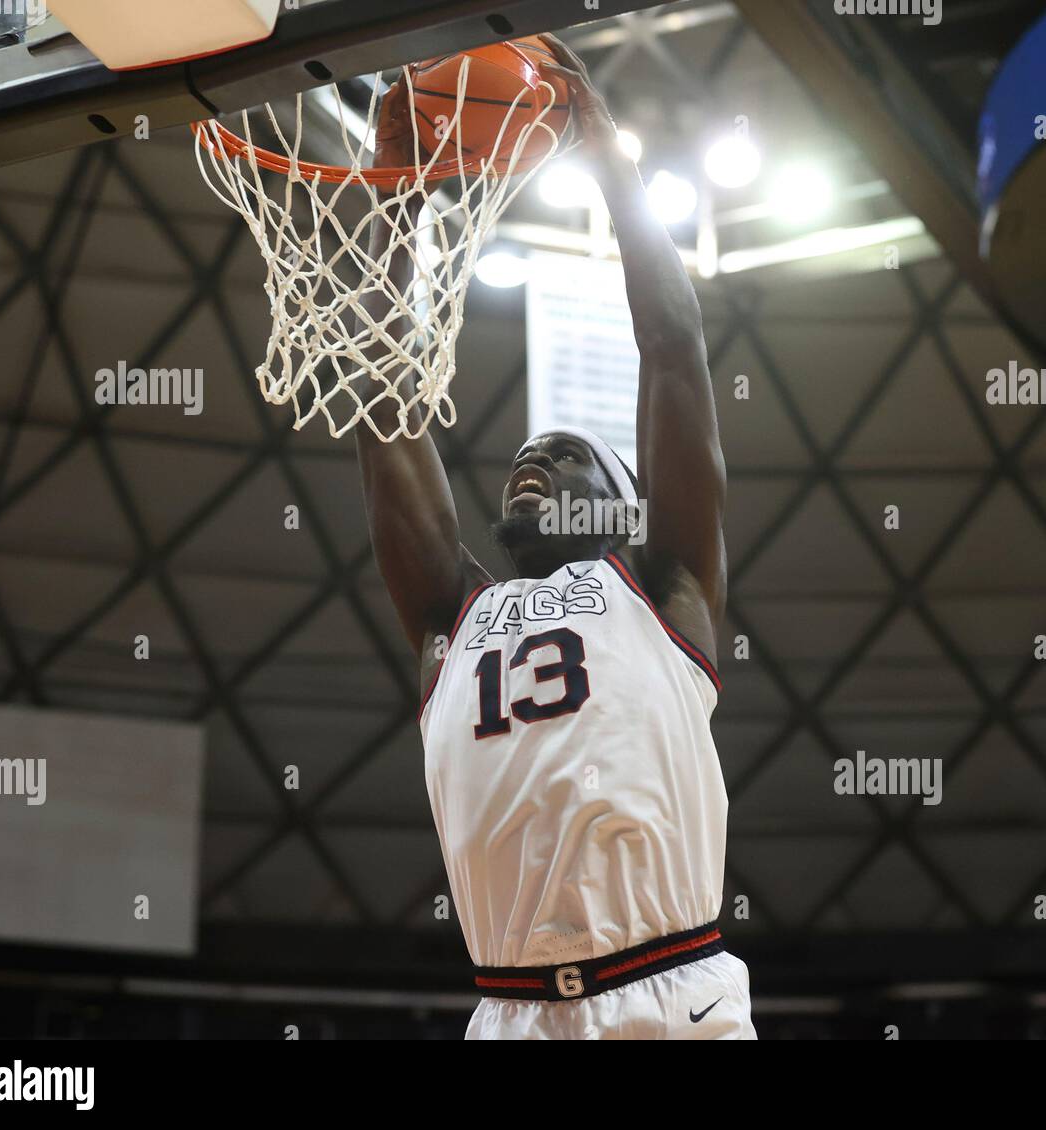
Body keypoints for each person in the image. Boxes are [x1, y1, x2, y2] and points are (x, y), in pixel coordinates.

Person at [356, 33, 755, 1040]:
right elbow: (386, 408)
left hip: (674, 998)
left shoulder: (665, 586)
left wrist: (613, 169)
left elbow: (672, 352)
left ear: (626, 507)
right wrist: (396, 203)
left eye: (567, 453)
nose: (533, 459)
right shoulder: (454, 617)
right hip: (512, 1014)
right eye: (526, 455)